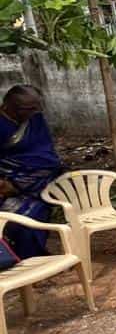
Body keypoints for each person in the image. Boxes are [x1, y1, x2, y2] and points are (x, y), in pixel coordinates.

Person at [0, 86, 64, 258]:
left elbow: (45, 150)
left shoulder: (35, 119)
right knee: (16, 221)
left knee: (39, 211)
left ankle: (34, 254)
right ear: (9, 107)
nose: (35, 112)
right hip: (7, 185)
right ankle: (15, 257)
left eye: (37, 107)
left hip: (38, 184)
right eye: (29, 109)